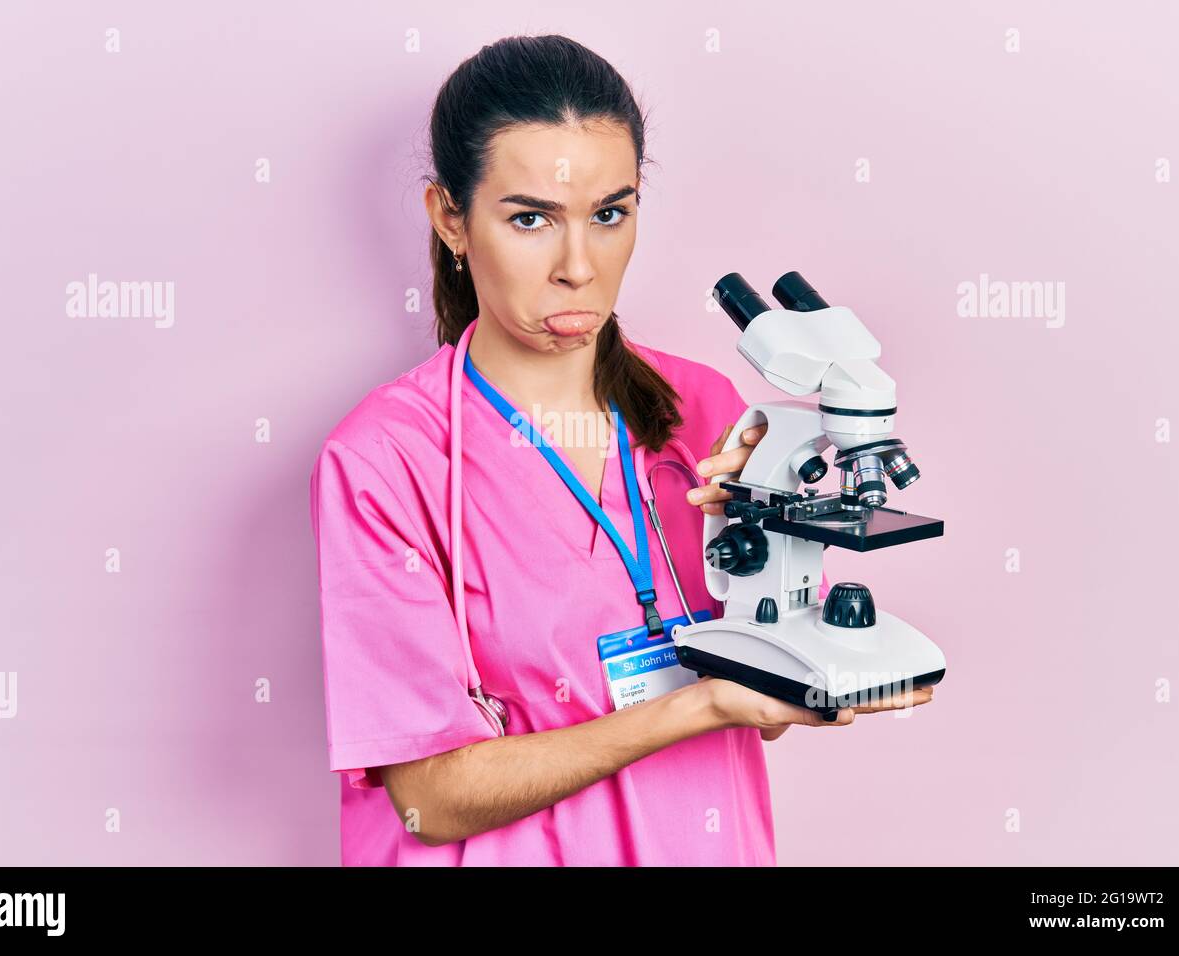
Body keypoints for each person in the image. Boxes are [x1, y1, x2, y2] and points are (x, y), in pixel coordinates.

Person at [309, 34, 933, 866]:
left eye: (610, 213)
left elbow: (769, 705)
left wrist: (795, 626)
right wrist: (696, 708)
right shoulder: (388, 460)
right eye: (530, 219)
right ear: (449, 218)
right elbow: (429, 800)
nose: (579, 267)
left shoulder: (706, 411)